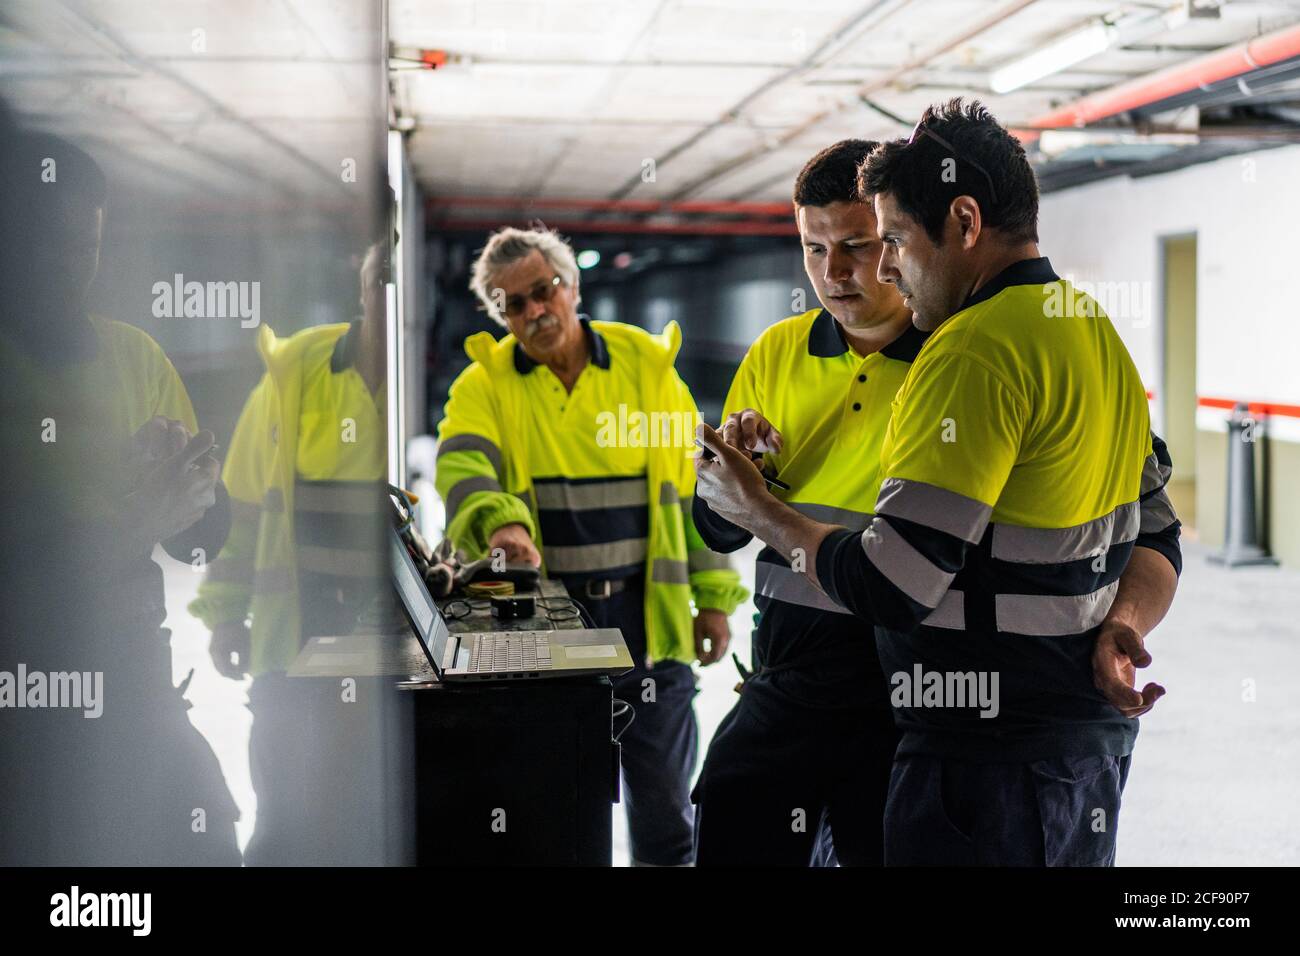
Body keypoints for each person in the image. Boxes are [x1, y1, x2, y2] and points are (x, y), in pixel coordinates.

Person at [694, 99, 1181, 866]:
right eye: (815, 249)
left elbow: (896, 584)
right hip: (1067, 740)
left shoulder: (966, 353)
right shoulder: (1093, 329)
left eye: (885, 241)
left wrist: (762, 509)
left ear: (963, 220)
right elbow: (1158, 530)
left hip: (979, 751)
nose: (874, 267)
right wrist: (1126, 626)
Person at [435, 226, 747, 866]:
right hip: (550, 633)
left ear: (571, 285)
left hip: (646, 625)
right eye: (511, 304)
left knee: (665, 812)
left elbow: (695, 486)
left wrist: (714, 596)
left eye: (542, 291)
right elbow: (465, 466)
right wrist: (501, 524)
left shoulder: (644, 366)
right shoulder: (486, 385)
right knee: (558, 804)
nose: (533, 312)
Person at [0, 127, 239, 864]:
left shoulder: (133, 355)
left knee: (208, 835)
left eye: (87, 249)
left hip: (137, 685)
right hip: (29, 717)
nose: (70, 271)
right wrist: (135, 522)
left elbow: (200, 541)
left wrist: (194, 488)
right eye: (49, 248)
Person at [691, 140, 916, 865]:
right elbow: (721, 532)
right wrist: (737, 478)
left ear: (900, 240)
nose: (833, 271)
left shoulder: (952, 355)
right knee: (729, 812)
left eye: (856, 245)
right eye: (813, 248)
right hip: (788, 663)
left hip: (903, 675)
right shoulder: (778, 352)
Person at [190, 242, 391, 865]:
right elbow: (244, 506)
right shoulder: (295, 371)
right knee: (286, 828)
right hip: (292, 653)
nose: (387, 295)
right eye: (378, 281)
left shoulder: (416, 379)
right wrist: (225, 611)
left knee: (368, 825)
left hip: (384, 664)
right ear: (361, 291)